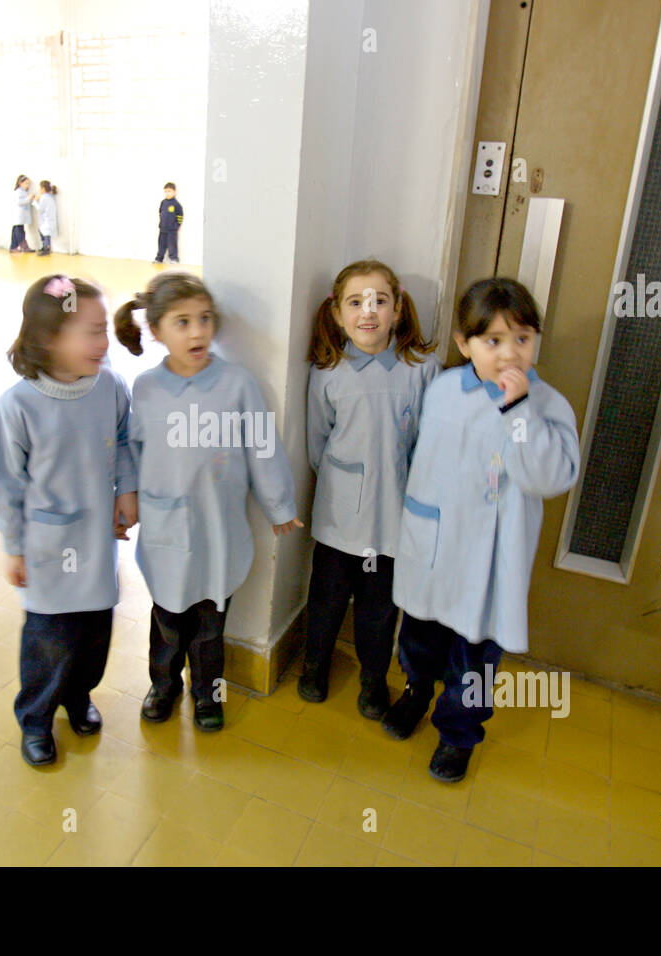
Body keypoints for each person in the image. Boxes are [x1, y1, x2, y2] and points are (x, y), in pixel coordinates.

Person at [387, 277, 579, 782]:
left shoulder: (546, 406)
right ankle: (414, 693)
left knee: (472, 662)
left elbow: (548, 477)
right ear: (463, 343)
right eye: (493, 341)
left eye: (522, 339)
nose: (510, 353)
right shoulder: (443, 389)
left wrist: (519, 413)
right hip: (433, 548)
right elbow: (418, 455)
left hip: (489, 562)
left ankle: (458, 734)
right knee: (419, 638)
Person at [115, 273, 301, 731]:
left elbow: (262, 446)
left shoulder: (236, 384)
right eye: (182, 322)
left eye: (204, 319)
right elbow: (130, 449)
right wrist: (127, 496)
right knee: (167, 621)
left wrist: (279, 505)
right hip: (163, 531)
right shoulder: (146, 388)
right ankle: (163, 686)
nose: (197, 331)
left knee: (210, 627)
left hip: (219, 531)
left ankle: (207, 695)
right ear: (157, 332)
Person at [0, 274, 138, 766]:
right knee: (50, 640)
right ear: (50, 338)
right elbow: (6, 484)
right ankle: (36, 716)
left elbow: (125, 439)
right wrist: (13, 545)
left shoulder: (109, 386)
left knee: (95, 633)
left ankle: (78, 694)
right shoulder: (19, 406)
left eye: (104, 330)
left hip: (97, 541)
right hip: (47, 548)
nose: (104, 342)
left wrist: (127, 491)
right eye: (91, 331)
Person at [300, 259, 438, 716]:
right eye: (356, 302)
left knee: (379, 612)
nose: (368, 311)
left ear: (398, 309)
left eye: (380, 300)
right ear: (337, 313)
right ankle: (314, 668)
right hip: (339, 520)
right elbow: (317, 445)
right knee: (326, 602)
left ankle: (373, 681)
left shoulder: (421, 370)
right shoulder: (327, 372)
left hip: (393, 523)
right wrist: (349, 484)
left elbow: (427, 444)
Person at [154, 182, 183, 264]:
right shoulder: (163, 202)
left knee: (172, 245)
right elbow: (160, 213)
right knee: (161, 244)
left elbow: (180, 216)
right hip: (163, 228)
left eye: (169, 191)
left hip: (172, 230)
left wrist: (177, 225)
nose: (167, 193)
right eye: (166, 191)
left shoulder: (176, 204)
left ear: (174, 192)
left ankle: (173, 259)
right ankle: (159, 259)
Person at [9, 174, 35, 253]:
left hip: (21, 216)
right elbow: (19, 202)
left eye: (28, 184)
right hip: (19, 215)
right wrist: (29, 198)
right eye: (26, 183)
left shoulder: (24, 192)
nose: (27, 186)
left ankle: (13, 247)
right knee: (19, 231)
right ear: (20, 183)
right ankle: (24, 247)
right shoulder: (18, 192)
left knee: (16, 230)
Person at [34, 181, 57, 256]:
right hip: (49, 219)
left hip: (46, 219)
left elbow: (40, 208)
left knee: (45, 233)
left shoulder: (44, 197)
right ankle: (45, 246)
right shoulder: (50, 196)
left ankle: (46, 248)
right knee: (44, 232)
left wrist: (35, 202)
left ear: (43, 189)